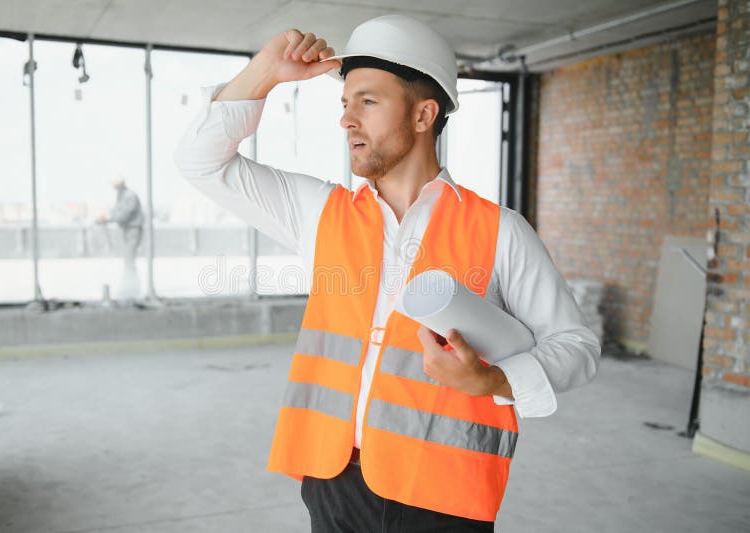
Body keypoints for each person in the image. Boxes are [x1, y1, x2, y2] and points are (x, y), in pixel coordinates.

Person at [174, 14, 600, 532]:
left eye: (368, 102)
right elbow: (200, 162)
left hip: (446, 492)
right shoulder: (319, 212)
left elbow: (575, 346)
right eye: (345, 103)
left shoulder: (501, 231)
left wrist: (493, 379)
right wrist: (263, 73)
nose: (347, 120)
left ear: (423, 115)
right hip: (334, 480)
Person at [98, 177, 144, 300]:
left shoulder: (129, 195)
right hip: (127, 228)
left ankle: (132, 286)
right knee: (127, 257)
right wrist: (108, 218)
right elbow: (117, 211)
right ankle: (130, 284)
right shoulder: (122, 195)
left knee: (129, 256)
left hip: (133, 228)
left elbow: (125, 213)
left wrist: (109, 219)